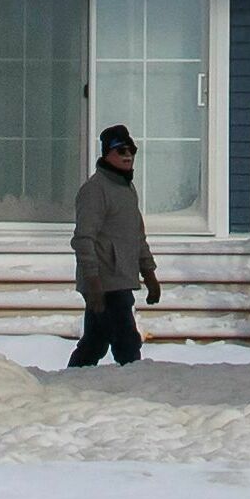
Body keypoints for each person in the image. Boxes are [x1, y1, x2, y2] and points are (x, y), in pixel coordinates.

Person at [67, 124, 161, 367]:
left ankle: (72, 381)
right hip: (105, 283)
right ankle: (133, 383)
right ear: (107, 154)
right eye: (121, 150)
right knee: (127, 341)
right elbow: (83, 239)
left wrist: (149, 274)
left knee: (96, 341)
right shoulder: (94, 190)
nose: (128, 155)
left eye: (131, 150)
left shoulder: (127, 189)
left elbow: (137, 237)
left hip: (122, 279)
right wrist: (93, 281)